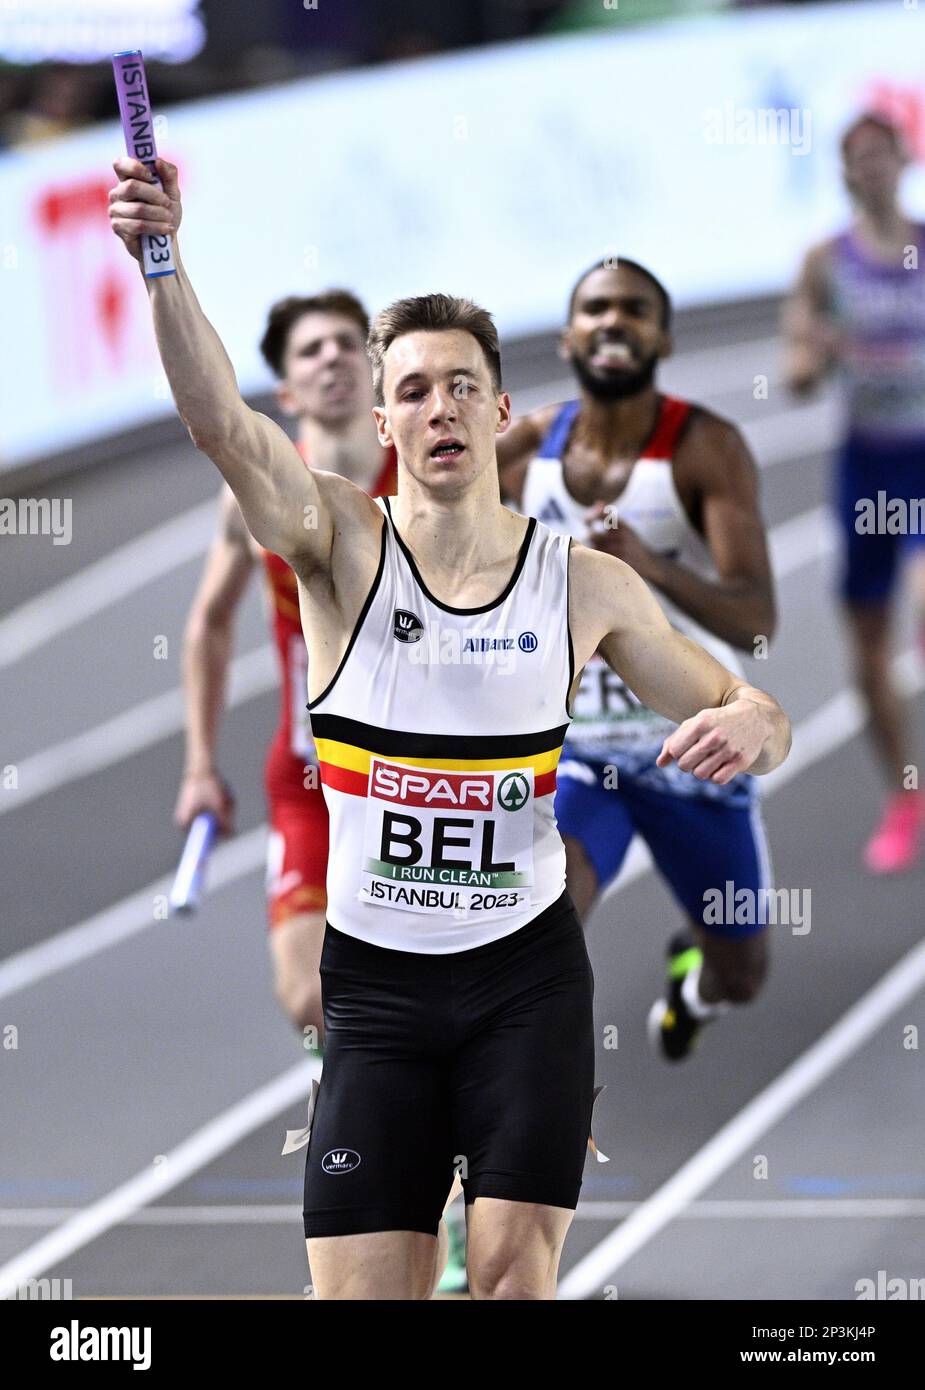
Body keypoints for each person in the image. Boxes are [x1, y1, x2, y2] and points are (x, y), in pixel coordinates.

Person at [108, 155, 790, 1300]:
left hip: (526, 988)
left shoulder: (580, 584)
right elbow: (218, 421)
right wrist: (162, 260)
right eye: (414, 389)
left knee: (512, 1284)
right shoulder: (331, 542)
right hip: (373, 995)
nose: (441, 408)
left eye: (464, 385)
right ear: (381, 419)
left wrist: (756, 724)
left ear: (499, 410)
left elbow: (745, 704)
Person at [496, 258, 777, 1060]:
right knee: (547, 923)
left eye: (633, 310)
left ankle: (689, 987)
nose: (613, 322)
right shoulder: (519, 452)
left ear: (664, 337)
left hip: (693, 749)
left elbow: (756, 620)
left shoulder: (704, 450)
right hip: (575, 755)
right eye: (595, 309)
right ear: (567, 335)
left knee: (743, 972)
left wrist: (649, 569)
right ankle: (500, 1120)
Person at [175, 290, 396, 1042]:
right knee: (309, 1000)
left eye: (345, 343)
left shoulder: (437, 482)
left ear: (372, 368)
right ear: (287, 391)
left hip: (426, 776)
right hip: (310, 775)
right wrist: (200, 766)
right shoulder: (253, 499)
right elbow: (207, 624)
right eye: (311, 350)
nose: (332, 356)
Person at [784, 112, 925, 873]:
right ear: (843, 174)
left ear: (902, 160)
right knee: (866, 657)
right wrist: (816, 354)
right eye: (855, 160)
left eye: (880, 155)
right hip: (866, 465)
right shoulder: (823, 263)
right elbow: (796, 376)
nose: (870, 169)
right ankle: (904, 795)